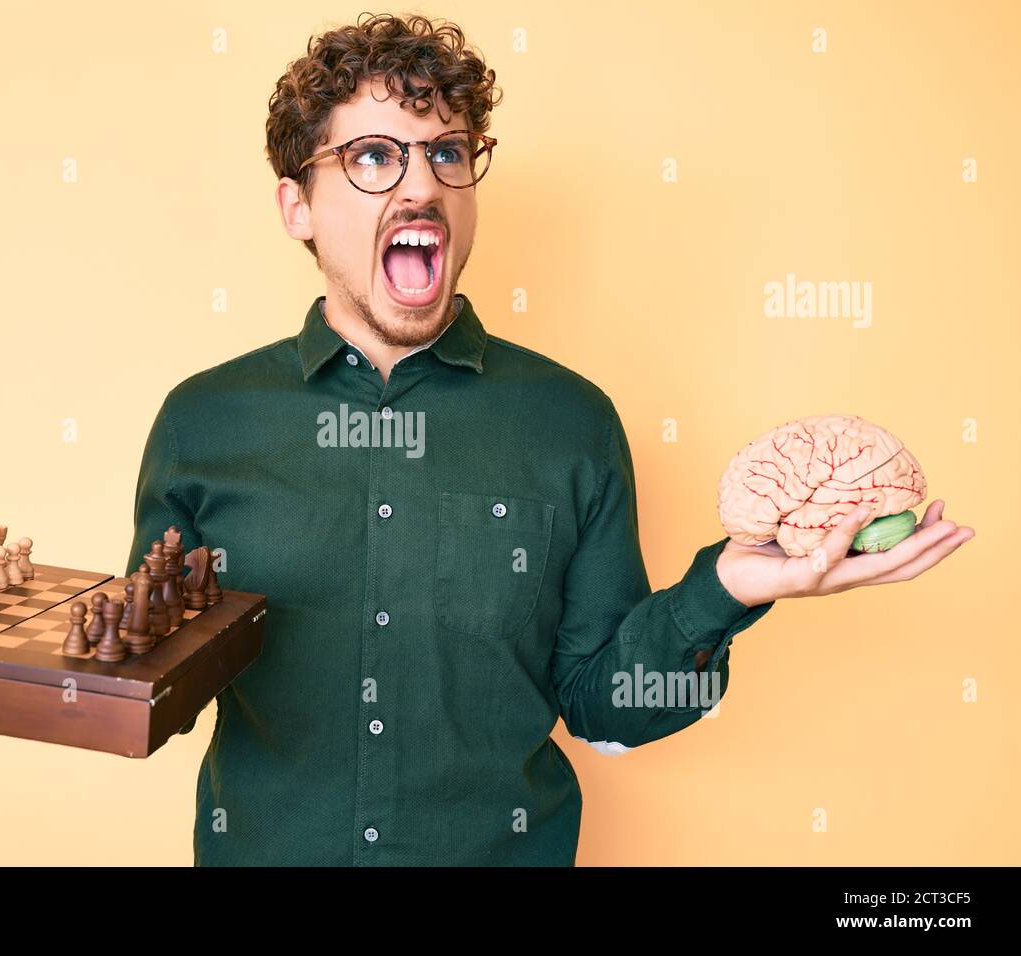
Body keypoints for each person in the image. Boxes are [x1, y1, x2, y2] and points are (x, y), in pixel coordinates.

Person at [126, 13, 974, 866]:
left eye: (447, 152)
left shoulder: (572, 422)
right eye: (374, 157)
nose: (421, 186)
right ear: (297, 206)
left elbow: (605, 708)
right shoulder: (205, 422)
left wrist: (724, 591)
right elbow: (148, 684)